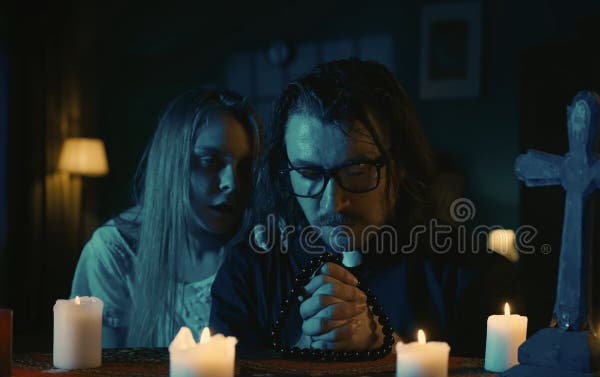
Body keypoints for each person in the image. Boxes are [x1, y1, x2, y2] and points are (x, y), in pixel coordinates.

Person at [210, 59, 519, 357]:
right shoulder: (250, 272)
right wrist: (305, 348)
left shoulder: (467, 273)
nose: (334, 202)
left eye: (357, 171)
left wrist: (388, 347)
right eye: (309, 174)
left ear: (400, 168)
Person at [70, 88, 264, 347]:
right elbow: (101, 374)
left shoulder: (260, 248)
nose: (232, 183)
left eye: (244, 167)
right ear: (173, 164)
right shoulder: (117, 251)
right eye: (211, 161)